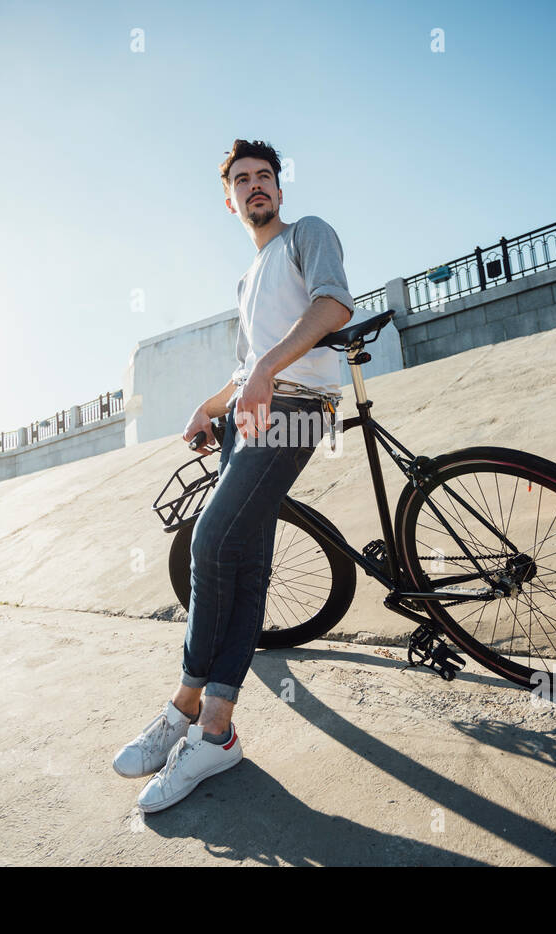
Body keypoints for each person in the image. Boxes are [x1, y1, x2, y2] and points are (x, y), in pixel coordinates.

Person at [113, 139, 355, 812]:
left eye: (265, 177)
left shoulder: (308, 235)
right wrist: (210, 403)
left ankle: (184, 706)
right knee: (245, 562)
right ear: (229, 200)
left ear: (280, 188)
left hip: (299, 409)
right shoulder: (247, 279)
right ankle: (215, 729)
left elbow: (334, 308)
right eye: (243, 181)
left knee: (208, 541)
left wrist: (264, 372)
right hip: (252, 413)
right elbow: (245, 367)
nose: (255, 187)